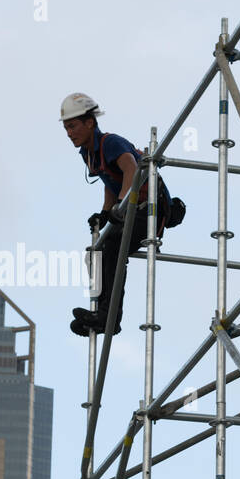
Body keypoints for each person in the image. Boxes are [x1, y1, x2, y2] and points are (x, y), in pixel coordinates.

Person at [60, 93, 171, 338]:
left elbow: (130, 168)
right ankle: (100, 312)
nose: (69, 132)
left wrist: (120, 205)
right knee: (95, 253)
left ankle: (109, 318)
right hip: (132, 207)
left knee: (112, 246)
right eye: (66, 127)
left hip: (151, 210)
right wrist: (105, 211)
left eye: (73, 126)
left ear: (90, 122)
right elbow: (110, 180)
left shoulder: (109, 143)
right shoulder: (88, 153)